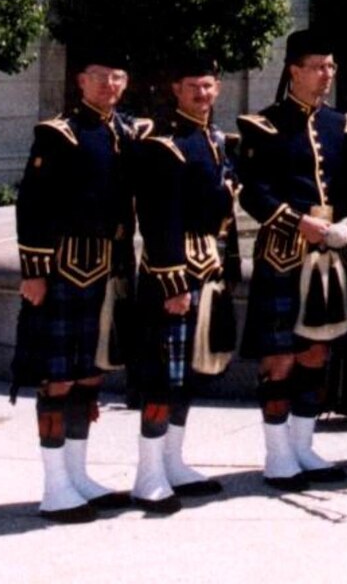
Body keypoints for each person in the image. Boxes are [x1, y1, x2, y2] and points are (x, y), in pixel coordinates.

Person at [237, 28, 347, 487]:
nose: (327, 75)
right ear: (294, 71)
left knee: (316, 352)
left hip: (328, 258)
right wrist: (295, 222)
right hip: (283, 255)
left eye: (331, 66)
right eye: (318, 67)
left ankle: (303, 446)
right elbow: (253, 193)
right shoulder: (263, 126)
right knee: (280, 356)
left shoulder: (343, 126)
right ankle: (277, 454)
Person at [14, 45, 149, 519]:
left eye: (118, 76)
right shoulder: (59, 134)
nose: (110, 85)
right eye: (101, 76)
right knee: (58, 378)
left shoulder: (127, 132)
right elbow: (31, 204)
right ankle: (55, 486)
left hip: (111, 267)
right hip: (64, 268)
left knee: (91, 373)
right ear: (82, 81)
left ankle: (78, 475)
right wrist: (34, 272)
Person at [131, 53, 240, 509]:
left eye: (208, 85)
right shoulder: (164, 145)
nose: (202, 93)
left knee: (189, 377)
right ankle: (147, 474)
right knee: (162, 378)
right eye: (193, 86)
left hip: (209, 270)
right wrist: (173, 283)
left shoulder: (216, 140)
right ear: (176, 89)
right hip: (173, 276)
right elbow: (159, 218)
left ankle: (173, 462)